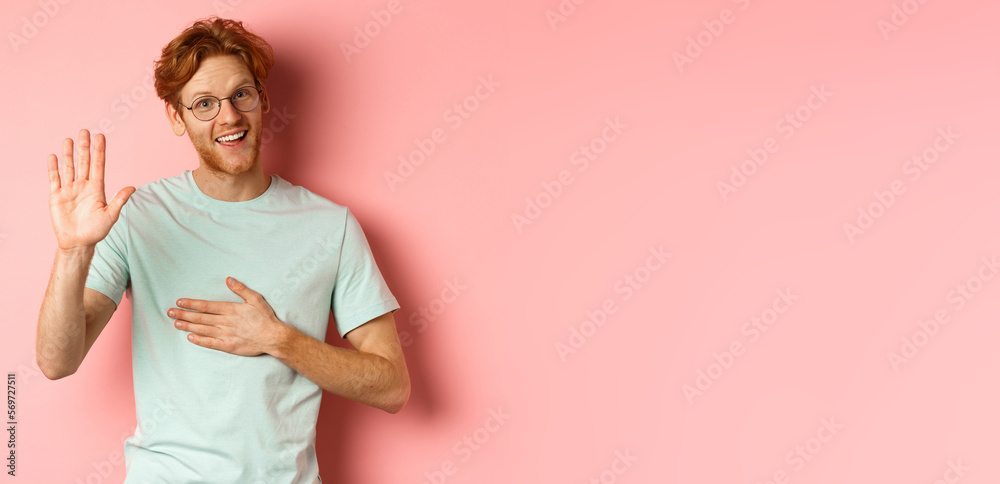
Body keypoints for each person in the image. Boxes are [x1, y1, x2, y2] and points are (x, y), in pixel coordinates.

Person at [35, 17, 410, 483]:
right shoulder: (137, 217)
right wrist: (72, 252)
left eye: (241, 95)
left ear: (262, 98)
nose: (229, 117)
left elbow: (392, 386)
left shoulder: (330, 227)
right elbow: (56, 361)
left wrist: (279, 339)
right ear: (177, 117)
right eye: (205, 104)